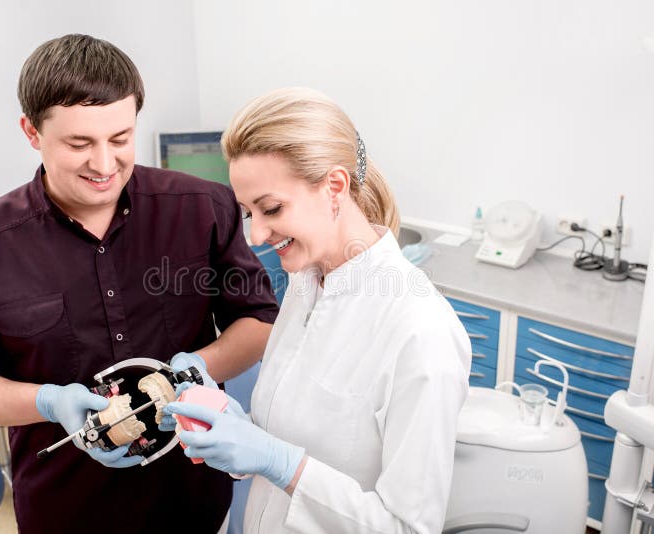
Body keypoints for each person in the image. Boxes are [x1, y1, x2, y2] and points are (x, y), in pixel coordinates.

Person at [0, 34, 278, 533]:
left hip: (191, 493)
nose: (105, 165)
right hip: (67, 506)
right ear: (31, 131)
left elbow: (259, 319)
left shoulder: (204, 208)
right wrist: (46, 401)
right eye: (79, 144)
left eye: (120, 139)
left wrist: (199, 367)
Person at [164, 87, 472, 533]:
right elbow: (291, 438)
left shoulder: (421, 332)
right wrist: (237, 432)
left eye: (271, 209)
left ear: (335, 187)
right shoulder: (306, 284)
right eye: (248, 213)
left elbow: (409, 527)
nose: (256, 235)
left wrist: (282, 463)